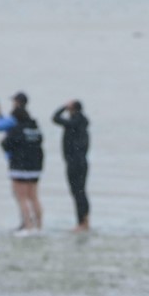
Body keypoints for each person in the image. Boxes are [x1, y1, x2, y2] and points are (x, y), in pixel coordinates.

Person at [0, 91, 44, 235]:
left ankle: (27, 226)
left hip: (19, 165)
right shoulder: (32, 123)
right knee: (33, 196)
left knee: (21, 197)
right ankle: (38, 226)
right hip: (35, 164)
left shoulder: (14, 121)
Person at [51, 99, 91, 232]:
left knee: (77, 192)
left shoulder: (74, 122)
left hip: (74, 161)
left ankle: (81, 223)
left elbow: (55, 118)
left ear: (72, 108)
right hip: (82, 161)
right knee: (81, 192)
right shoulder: (82, 122)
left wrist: (63, 106)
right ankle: (85, 221)